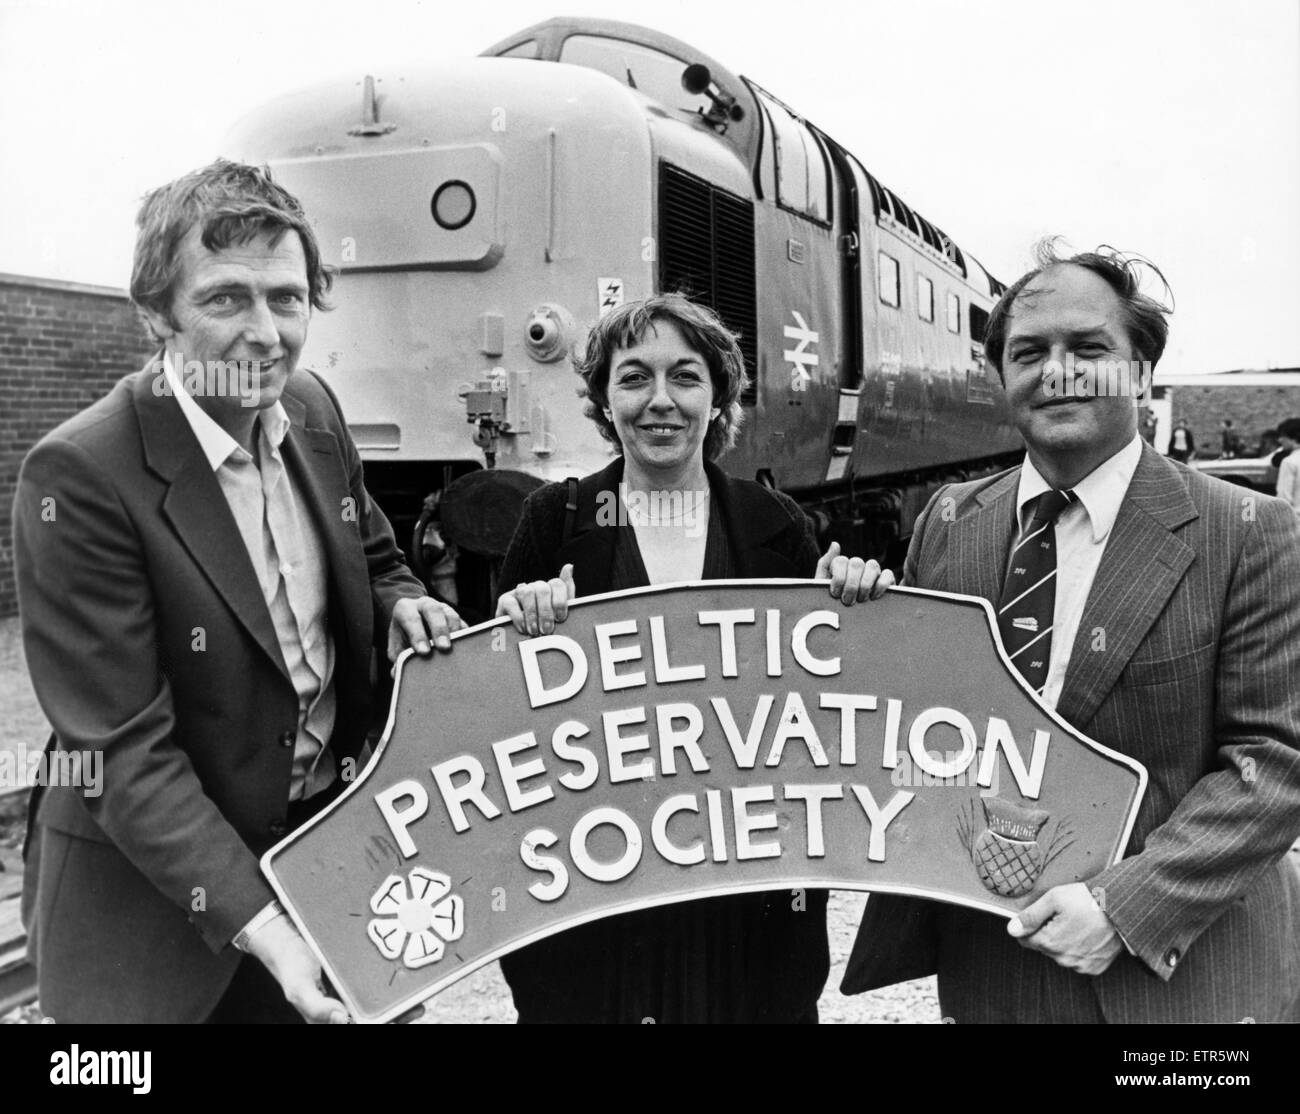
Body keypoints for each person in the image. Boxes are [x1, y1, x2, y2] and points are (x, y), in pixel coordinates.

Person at [13, 160, 463, 1024]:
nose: (266, 334)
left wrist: (403, 598)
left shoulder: (317, 412)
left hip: (327, 865)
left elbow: (370, 554)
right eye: (226, 300)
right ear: (156, 312)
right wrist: (268, 925)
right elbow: (119, 751)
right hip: (154, 918)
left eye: (287, 299)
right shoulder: (80, 475)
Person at [842, 242, 1300, 1023]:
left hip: (1182, 986)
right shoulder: (949, 523)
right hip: (998, 971)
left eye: (1089, 348)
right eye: (1029, 352)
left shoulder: (1249, 529)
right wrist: (855, 630)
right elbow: (913, 731)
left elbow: (1275, 759)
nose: (1058, 371)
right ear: (1001, 378)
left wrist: (1126, 909)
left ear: (1143, 371)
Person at [492, 293, 893, 1022]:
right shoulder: (556, 519)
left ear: (718, 398)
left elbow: (837, 704)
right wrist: (518, 625)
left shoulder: (774, 523)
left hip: (747, 899)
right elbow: (499, 703)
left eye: (685, 377)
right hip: (597, 889)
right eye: (633, 378)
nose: (660, 401)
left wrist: (857, 608)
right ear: (603, 401)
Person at [1275, 417, 1300, 513]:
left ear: (1294, 437)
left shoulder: (1289, 462)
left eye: (1282, 436)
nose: (1280, 440)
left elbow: (1284, 501)